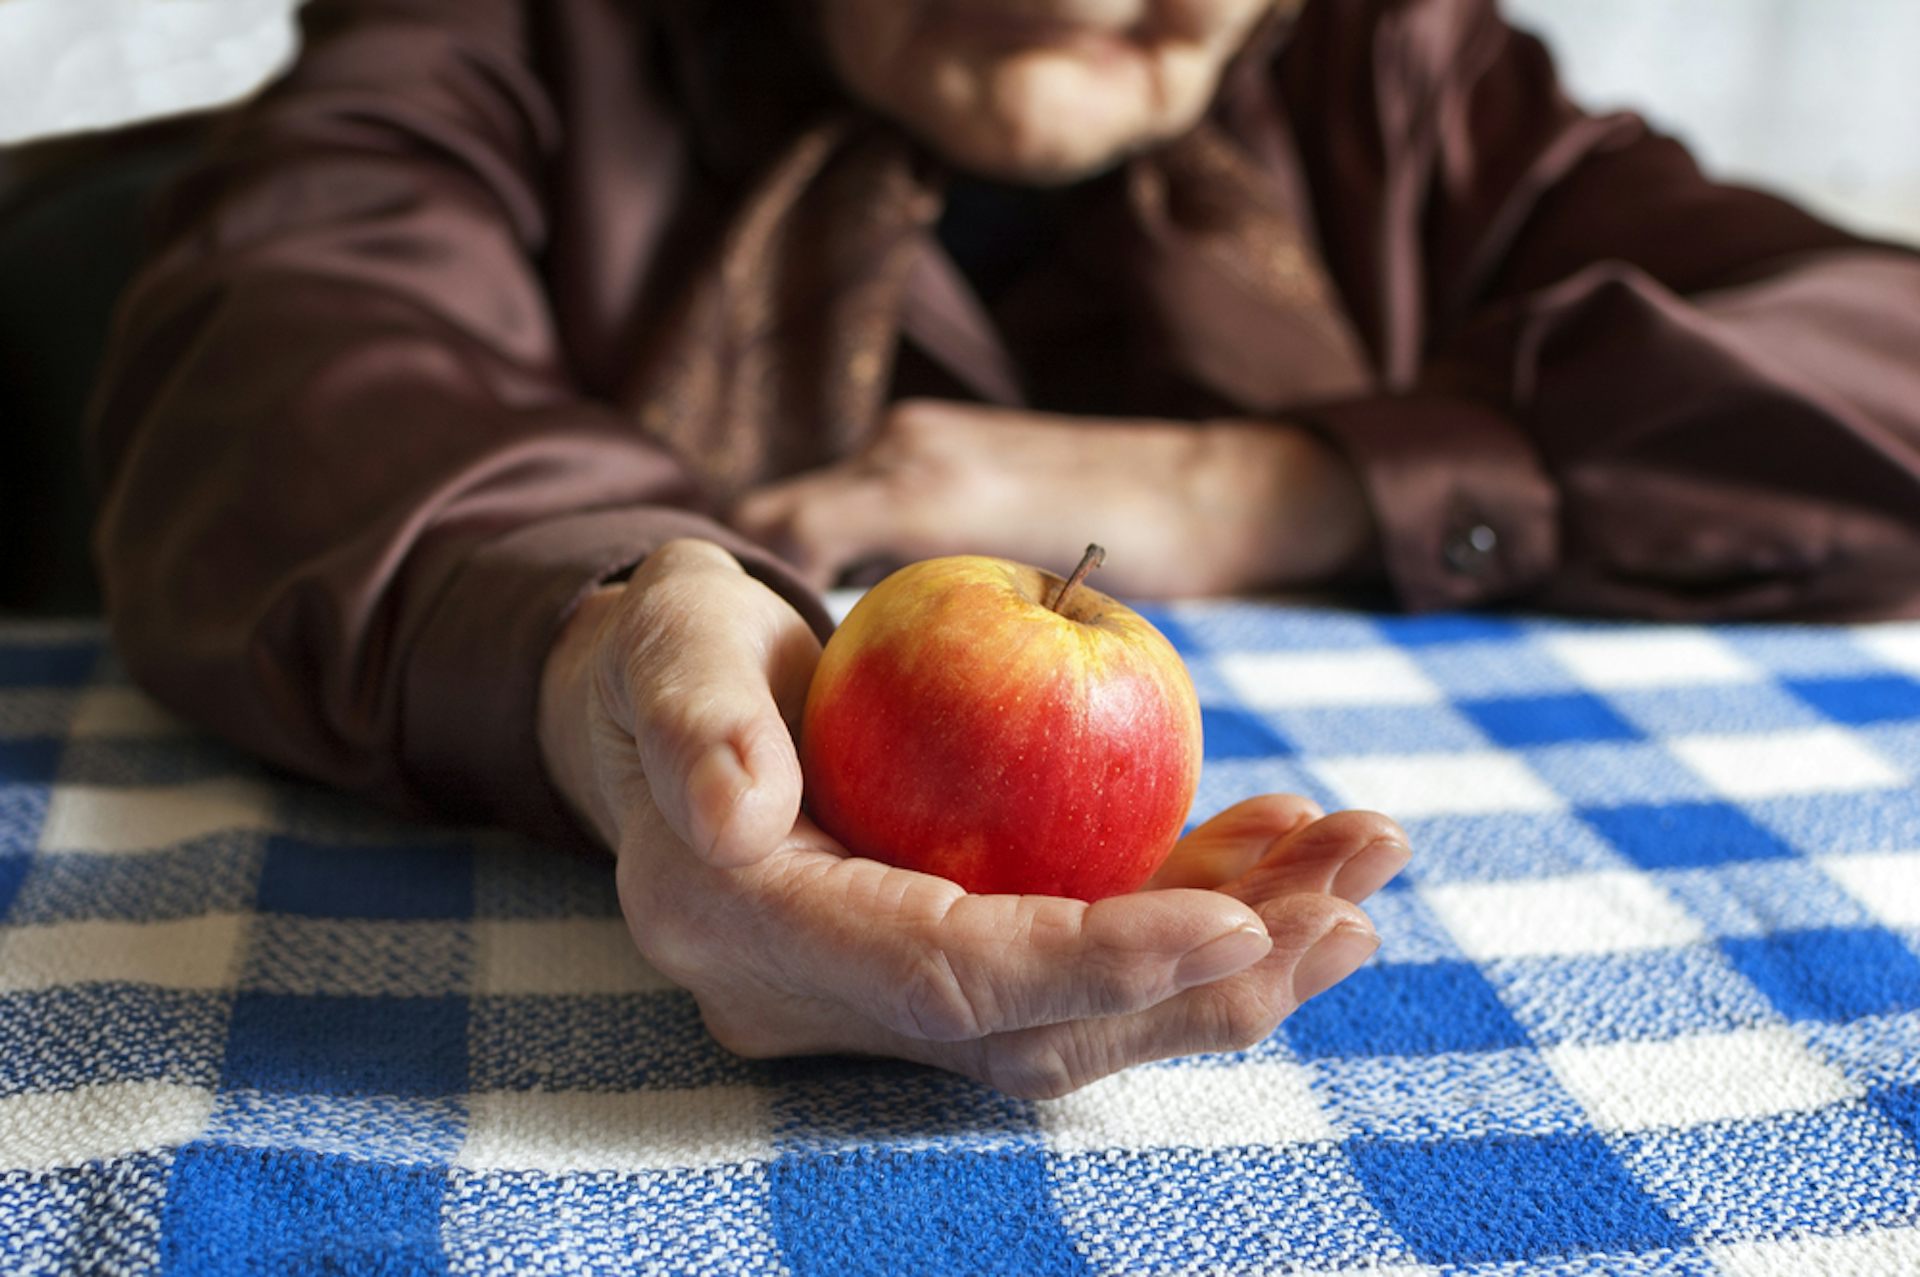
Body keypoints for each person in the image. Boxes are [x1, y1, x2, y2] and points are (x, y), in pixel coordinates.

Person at [86, 0, 1920, 1096]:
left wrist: (1260, 485)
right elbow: (285, 347)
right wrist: (613, 651)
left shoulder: (1397, 78)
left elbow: (1873, 340)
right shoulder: (522, 36)